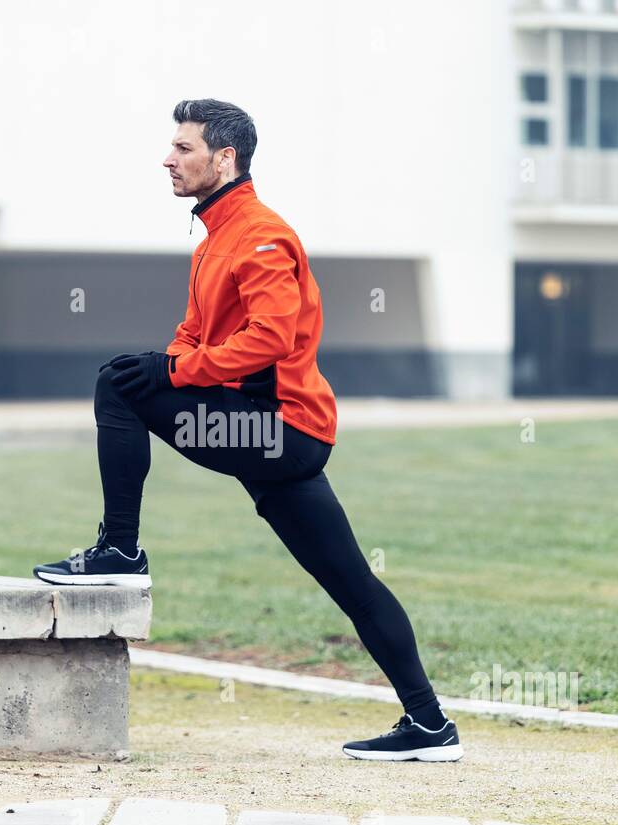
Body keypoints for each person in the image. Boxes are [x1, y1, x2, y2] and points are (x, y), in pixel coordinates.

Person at [33, 99, 461, 762]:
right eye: (171, 147)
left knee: (118, 382)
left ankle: (120, 551)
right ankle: (430, 725)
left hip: (281, 433)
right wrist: (172, 365)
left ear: (224, 158)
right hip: (263, 435)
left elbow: (268, 341)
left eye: (183, 148)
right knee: (353, 583)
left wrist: (173, 374)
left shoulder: (260, 235)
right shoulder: (214, 239)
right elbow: (194, 336)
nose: (168, 159)